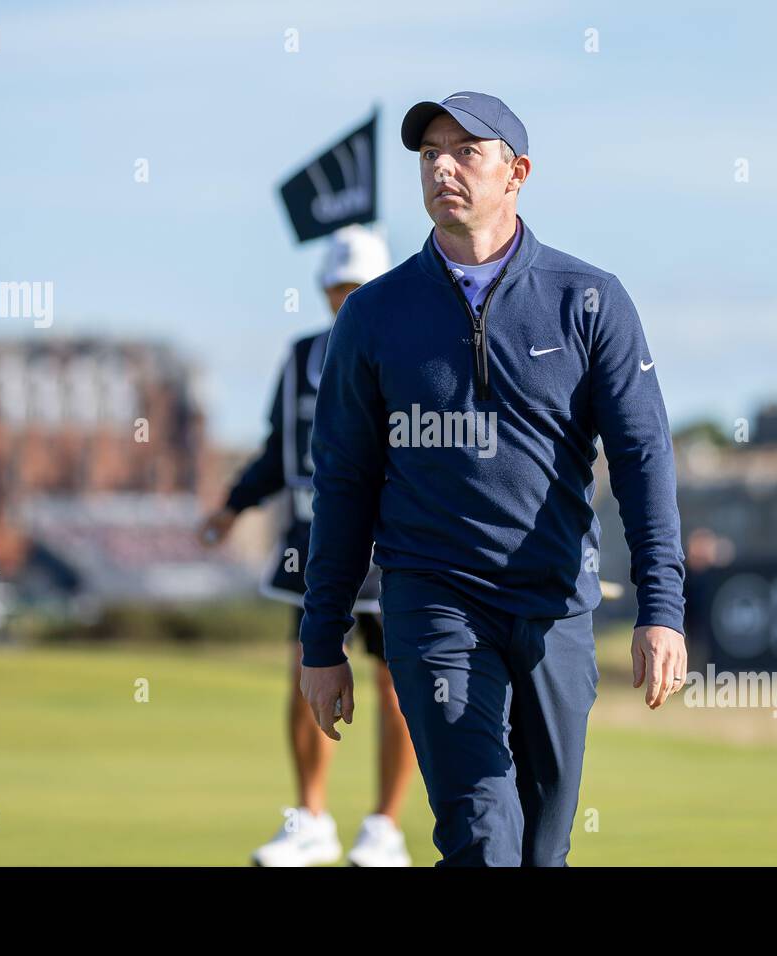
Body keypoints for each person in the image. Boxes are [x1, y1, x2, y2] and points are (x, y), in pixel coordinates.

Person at [297, 91, 689, 866]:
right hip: (433, 602)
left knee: (543, 848)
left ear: (517, 173)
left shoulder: (589, 301)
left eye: (466, 151)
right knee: (482, 836)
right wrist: (322, 638)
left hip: (555, 606)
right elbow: (342, 481)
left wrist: (663, 608)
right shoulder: (373, 316)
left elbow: (643, 456)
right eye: (429, 154)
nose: (443, 166)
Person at [199, 225, 415, 867]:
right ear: (324, 290)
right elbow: (277, 449)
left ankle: (384, 828)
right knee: (307, 671)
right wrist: (234, 504)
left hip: (392, 546)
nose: (348, 299)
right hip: (311, 546)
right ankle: (311, 817)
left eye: (360, 287)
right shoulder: (300, 359)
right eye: (339, 288)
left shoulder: (407, 350)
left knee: (396, 681)